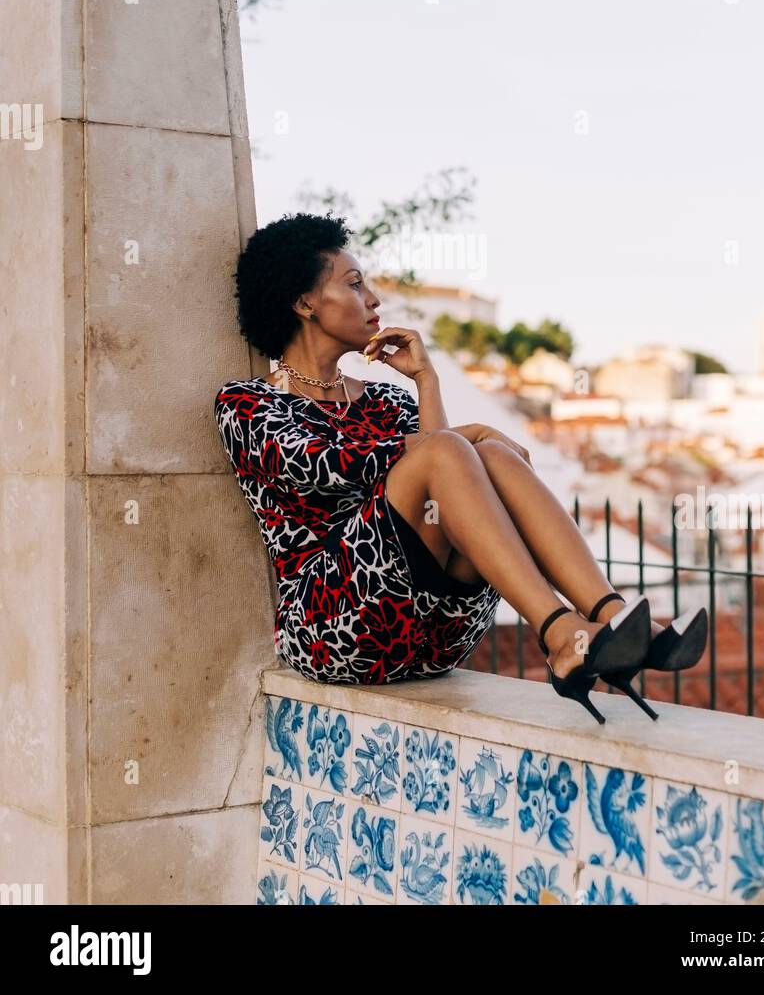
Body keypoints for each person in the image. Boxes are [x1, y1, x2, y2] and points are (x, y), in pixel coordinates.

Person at [214, 212, 706, 723]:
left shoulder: (383, 399)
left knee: (487, 456)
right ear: (303, 303)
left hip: (436, 626)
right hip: (337, 627)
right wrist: (461, 437)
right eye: (356, 285)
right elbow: (329, 466)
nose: (375, 300)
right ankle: (561, 633)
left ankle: (611, 617)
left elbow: (445, 475)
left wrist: (427, 380)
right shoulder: (248, 403)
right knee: (457, 448)